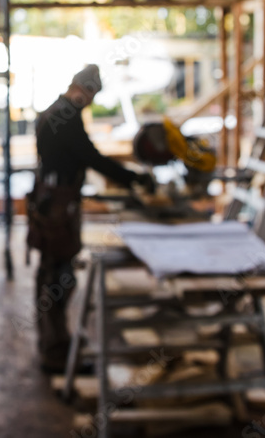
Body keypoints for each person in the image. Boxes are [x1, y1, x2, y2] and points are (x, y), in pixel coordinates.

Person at [27, 65, 155, 373]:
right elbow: (91, 156)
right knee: (60, 277)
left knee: (51, 274)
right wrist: (132, 178)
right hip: (58, 208)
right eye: (90, 93)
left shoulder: (51, 111)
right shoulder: (66, 116)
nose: (90, 99)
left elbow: (78, 157)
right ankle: (56, 353)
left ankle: (53, 344)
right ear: (80, 88)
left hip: (49, 200)